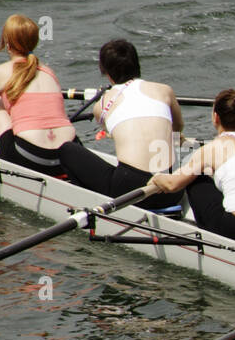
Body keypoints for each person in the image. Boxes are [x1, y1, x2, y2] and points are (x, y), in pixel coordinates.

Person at [146, 89, 235, 248]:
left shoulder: (211, 149)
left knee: (197, 179)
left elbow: (172, 185)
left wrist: (157, 177)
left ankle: (207, 237)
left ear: (216, 117)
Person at [59, 38, 186, 211]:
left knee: (67, 149)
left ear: (105, 72)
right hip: (172, 188)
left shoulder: (101, 105)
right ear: (137, 64)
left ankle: (88, 208)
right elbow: (178, 127)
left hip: (130, 190)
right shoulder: (164, 90)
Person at [0, 14, 78, 176]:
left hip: (31, 156)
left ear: (8, 44)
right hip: (67, 157)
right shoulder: (49, 72)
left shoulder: (1, 72)